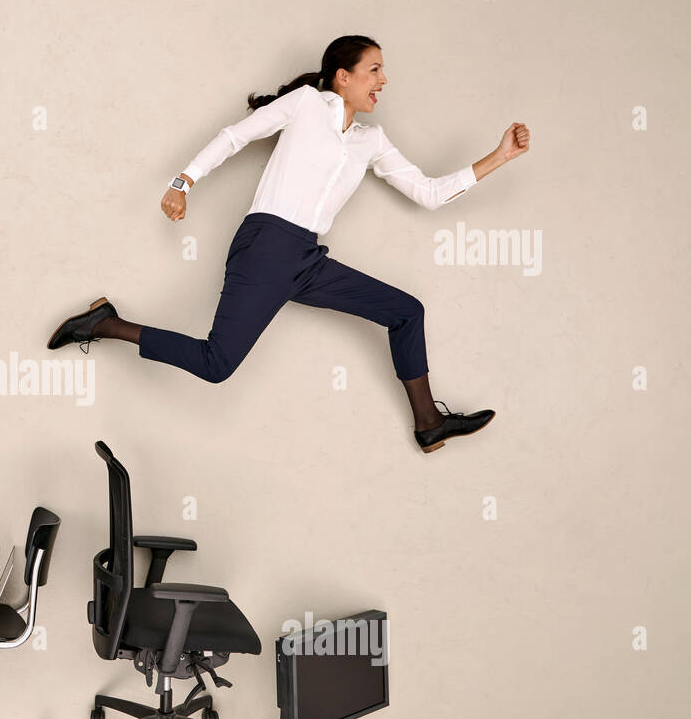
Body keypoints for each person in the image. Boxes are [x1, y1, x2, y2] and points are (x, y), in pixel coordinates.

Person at [46, 35, 530, 453]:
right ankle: (106, 325)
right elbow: (235, 136)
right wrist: (182, 182)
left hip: (305, 258)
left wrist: (501, 156)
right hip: (266, 245)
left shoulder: (371, 140)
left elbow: (429, 193)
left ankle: (429, 423)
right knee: (217, 365)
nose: (383, 80)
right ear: (342, 76)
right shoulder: (304, 104)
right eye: (375, 69)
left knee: (406, 310)